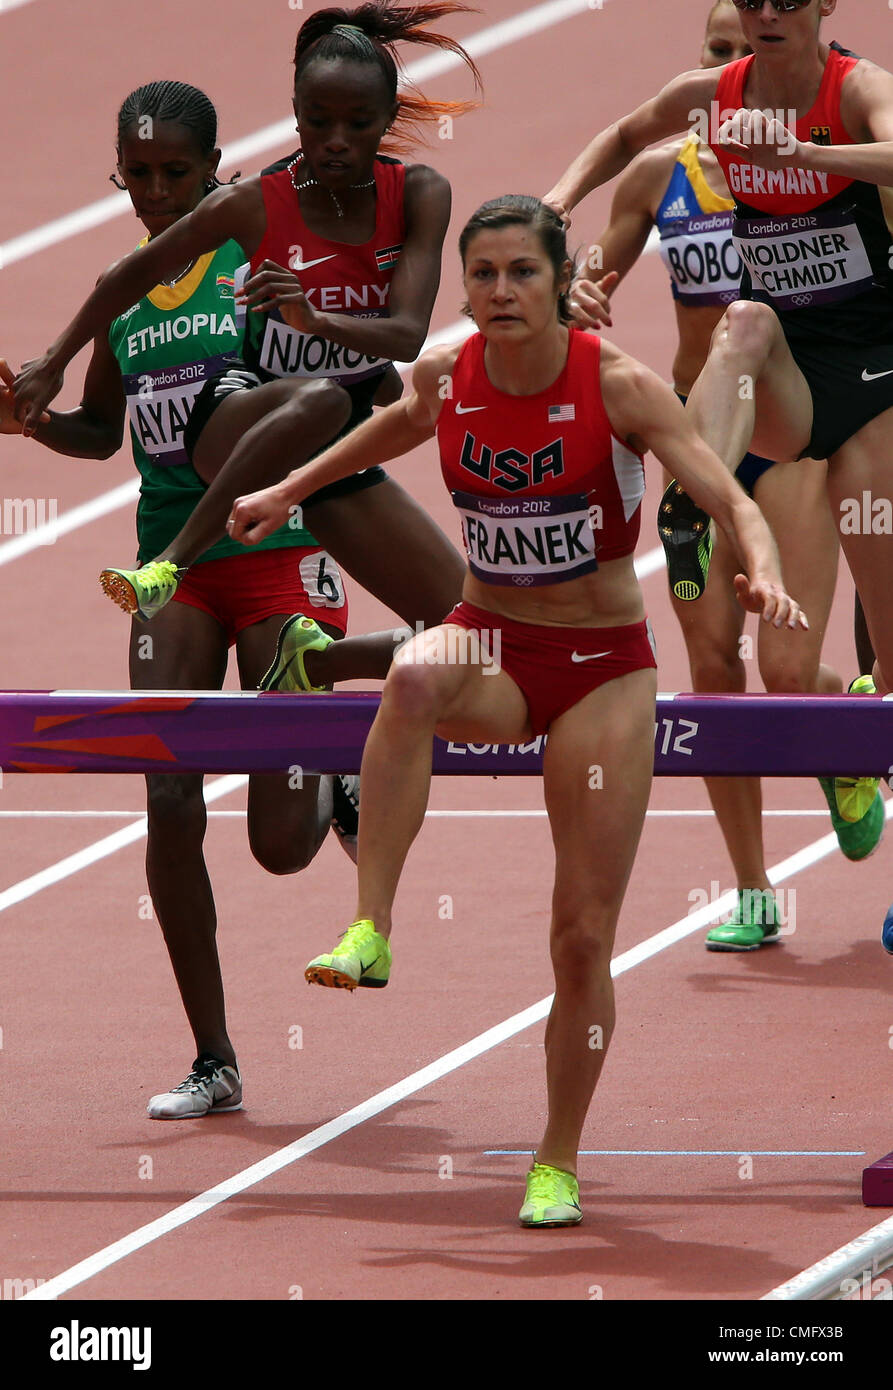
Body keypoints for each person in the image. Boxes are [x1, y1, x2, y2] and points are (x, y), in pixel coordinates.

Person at [226, 195, 806, 1225]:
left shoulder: (616, 386)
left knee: (580, 935)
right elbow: (386, 429)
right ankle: (370, 926)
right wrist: (284, 490)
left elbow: (731, 500)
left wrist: (759, 574)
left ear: (556, 282)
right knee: (409, 675)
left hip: (599, 666)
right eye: (482, 274)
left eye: (520, 274)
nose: (499, 292)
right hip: (491, 643)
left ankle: (557, 1156)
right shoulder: (452, 374)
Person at [12, 3, 477, 677]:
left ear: (387, 118)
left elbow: (399, 348)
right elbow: (128, 280)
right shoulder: (251, 208)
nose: (337, 140)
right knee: (323, 398)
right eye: (318, 121)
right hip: (225, 439)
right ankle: (171, 566)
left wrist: (321, 327)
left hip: (310, 475)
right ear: (295, 114)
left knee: (472, 632)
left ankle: (318, 666)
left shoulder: (411, 196)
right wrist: (52, 369)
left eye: (358, 123)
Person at [545, 0, 891, 902]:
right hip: (746, 407)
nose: (763, 19)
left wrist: (802, 155)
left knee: (836, 669)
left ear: (822, 9)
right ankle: (750, 887)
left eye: (782, 4)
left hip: (856, 389)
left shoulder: (851, 97)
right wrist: (557, 222)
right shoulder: (689, 134)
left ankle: (866, 757)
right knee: (745, 319)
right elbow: (623, 136)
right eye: (743, 10)